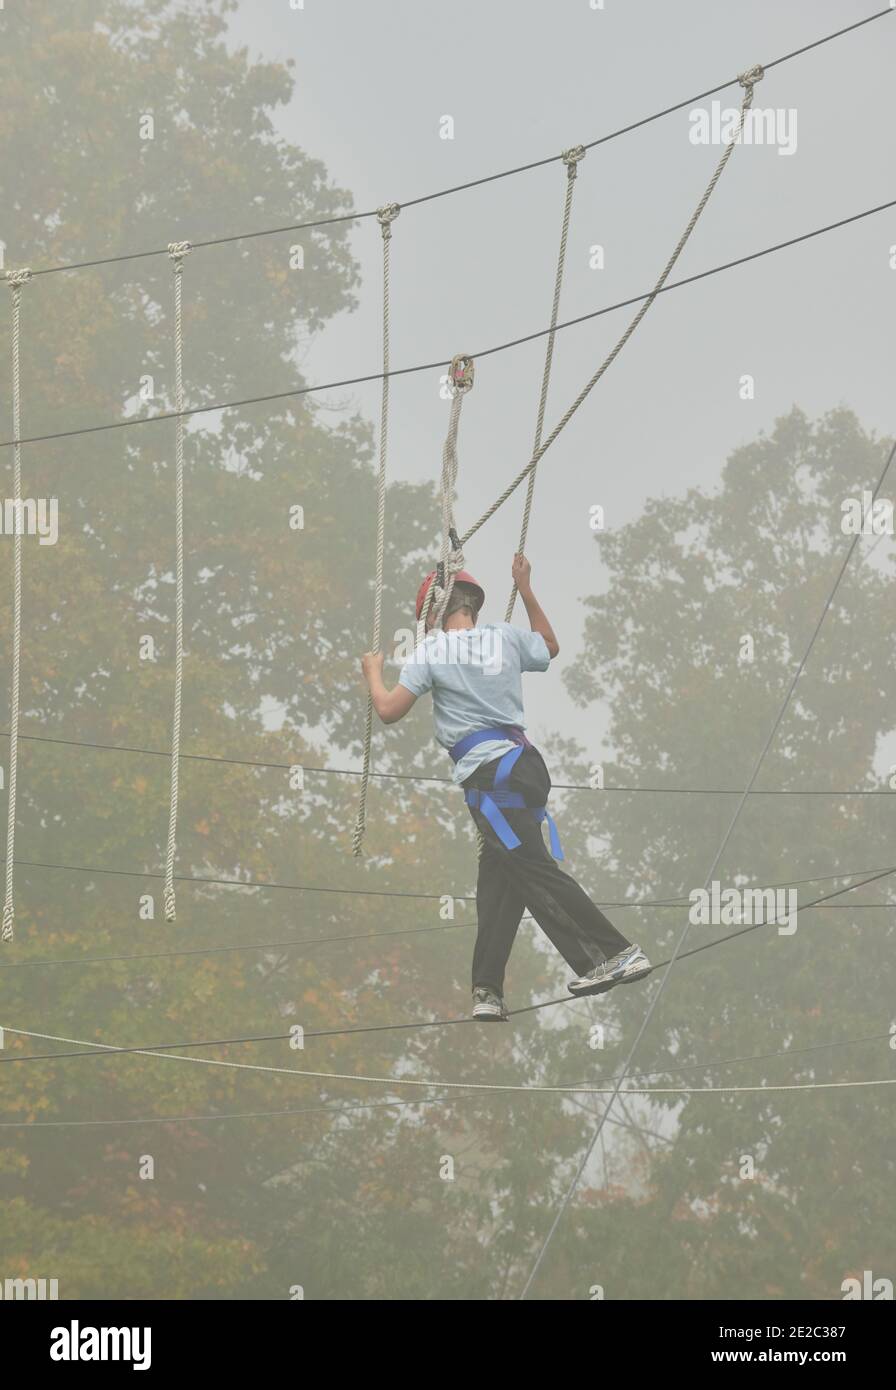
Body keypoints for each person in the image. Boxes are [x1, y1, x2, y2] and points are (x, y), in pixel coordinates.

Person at [360, 554, 651, 1021]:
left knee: (532, 870)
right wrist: (527, 588)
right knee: (500, 879)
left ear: (433, 614)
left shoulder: (431, 652)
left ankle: (612, 953)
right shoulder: (504, 636)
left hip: (491, 780)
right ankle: (487, 989)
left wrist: (373, 673)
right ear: (473, 604)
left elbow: (390, 710)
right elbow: (550, 645)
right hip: (524, 768)